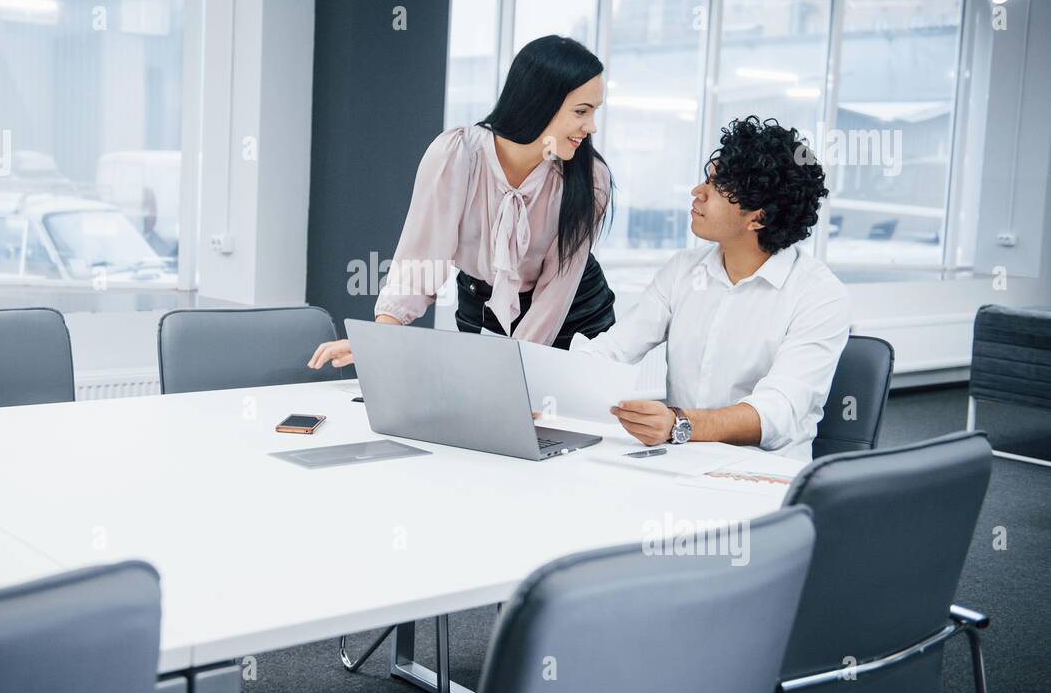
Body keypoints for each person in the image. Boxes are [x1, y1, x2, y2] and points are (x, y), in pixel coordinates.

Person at [309, 34, 616, 371]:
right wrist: (380, 342)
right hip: (482, 305)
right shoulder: (458, 156)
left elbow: (556, 291)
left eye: (594, 111)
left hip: (576, 318)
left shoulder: (590, 178)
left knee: (538, 413)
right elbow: (419, 260)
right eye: (581, 112)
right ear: (540, 101)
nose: (592, 127)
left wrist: (513, 369)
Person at [577, 115, 850, 463]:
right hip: (680, 464)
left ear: (758, 218)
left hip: (763, 476)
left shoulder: (819, 295)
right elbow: (612, 351)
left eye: (717, 187)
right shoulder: (683, 270)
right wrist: (544, 388)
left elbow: (777, 411)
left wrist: (679, 423)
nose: (698, 192)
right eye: (707, 178)